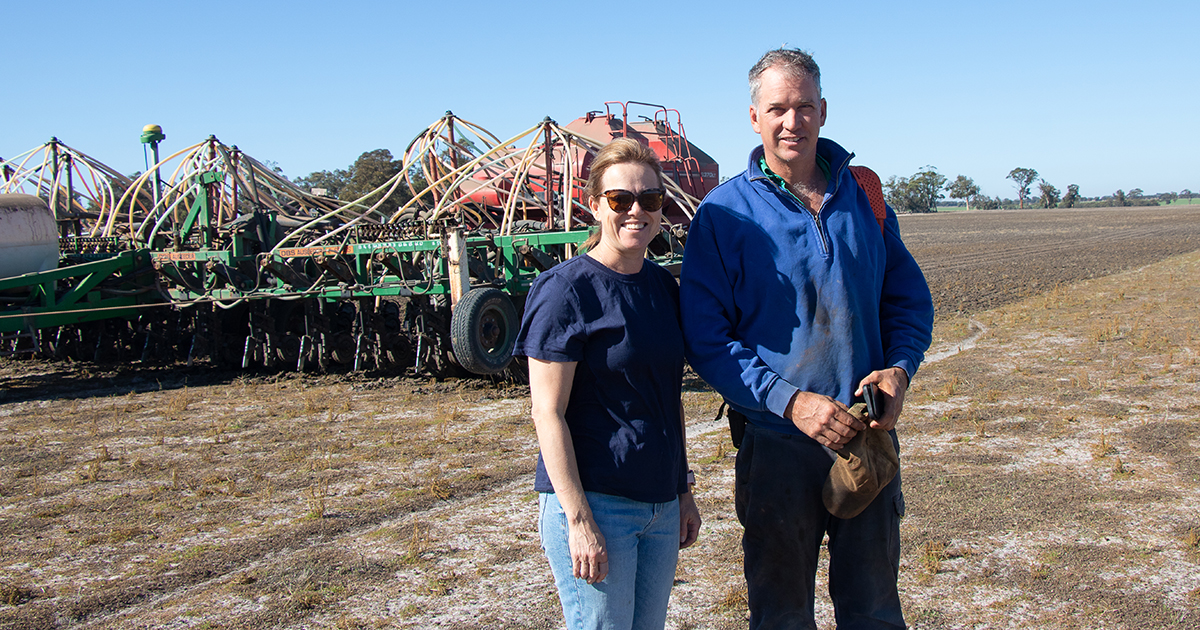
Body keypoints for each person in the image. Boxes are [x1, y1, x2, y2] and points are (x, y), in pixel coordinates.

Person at [679, 48, 935, 629]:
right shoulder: (723, 215)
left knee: (873, 609)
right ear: (754, 118)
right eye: (777, 109)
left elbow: (907, 301)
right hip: (775, 447)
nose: (791, 122)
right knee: (781, 614)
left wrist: (899, 368)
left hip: (864, 437)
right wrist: (789, 402)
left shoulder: (864, 196)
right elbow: (706, 336)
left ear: (823, 111)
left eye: (803, 108)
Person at [515, 137, 702, 630]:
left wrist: (682, 490)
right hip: (597, 504)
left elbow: (668, 396)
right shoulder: (565, 290)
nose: (636, 211)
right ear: (595, 204)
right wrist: (577, 521)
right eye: (621, 200)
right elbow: (546, 412)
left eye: (650, 199)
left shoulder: (663, 287)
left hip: (659, 504)